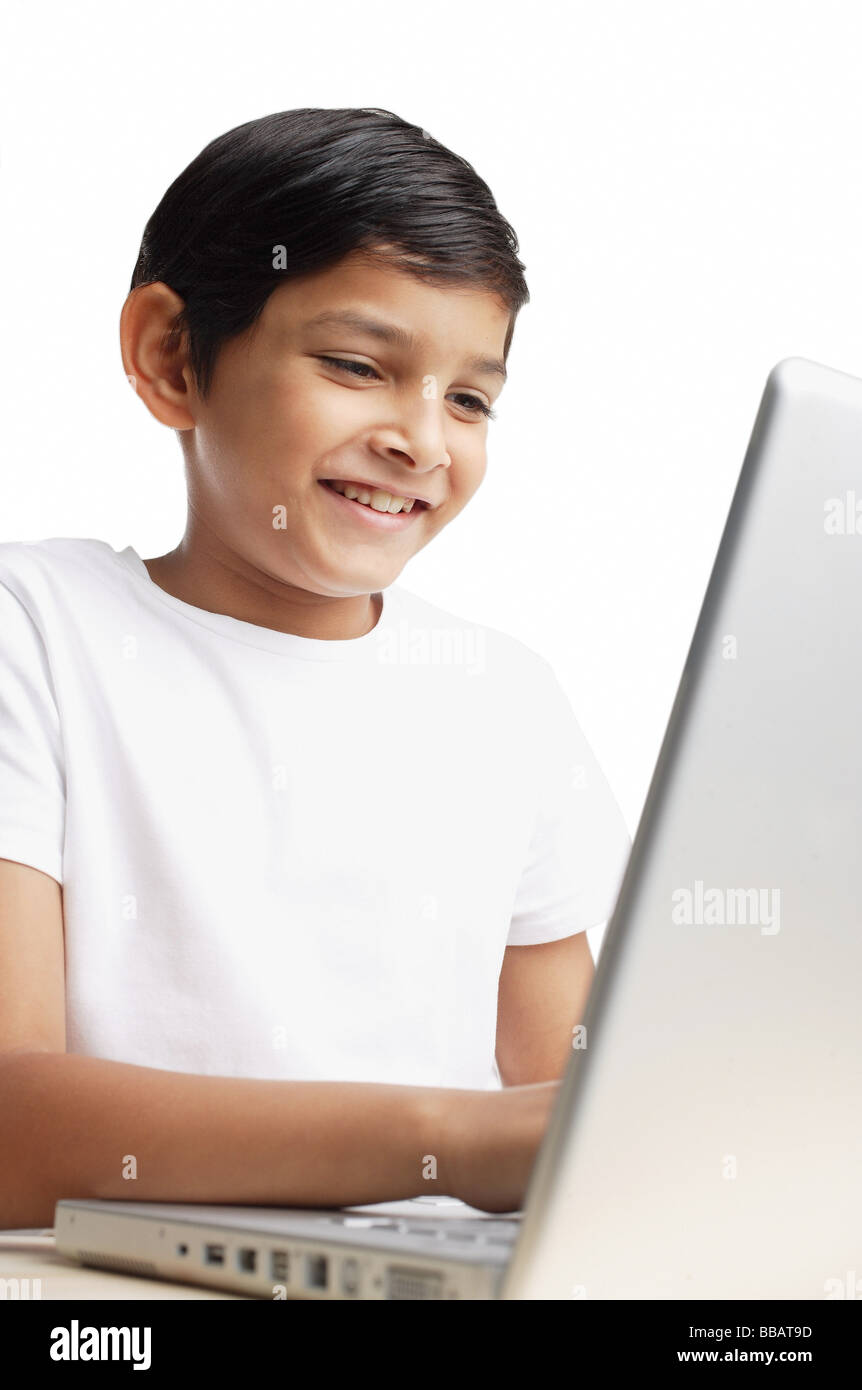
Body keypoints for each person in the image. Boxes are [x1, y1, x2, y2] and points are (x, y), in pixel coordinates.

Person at [0, 108, 630, 1228]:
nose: (422, 441)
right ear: (170, 358)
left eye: (469, 398)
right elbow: (8, 1123)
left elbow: (584, 1121)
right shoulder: (37, 631)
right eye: (356, 365)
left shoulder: (506, 701)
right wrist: (445, 1144)